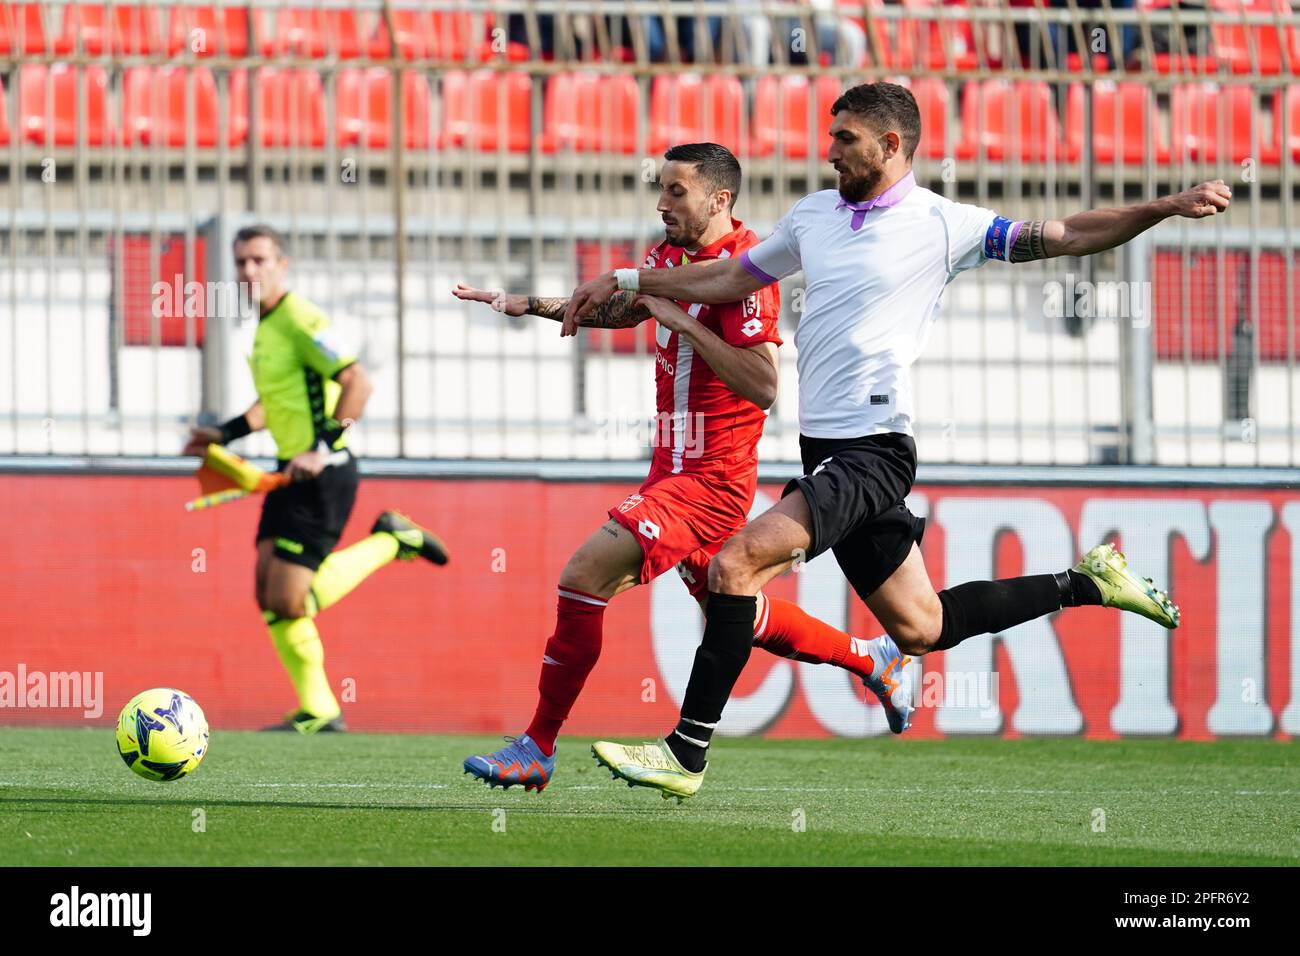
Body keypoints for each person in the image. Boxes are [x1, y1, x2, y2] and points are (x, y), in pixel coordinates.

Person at [566, 82, 1229, 800]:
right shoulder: (814, 215)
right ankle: (1090, 581)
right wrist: (632, 276)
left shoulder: (943, 223)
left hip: (874, 451)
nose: (829, 152)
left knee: (733, 566)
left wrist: (1162, 208)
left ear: (891, 144)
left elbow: (1065, 235)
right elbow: (729, 275)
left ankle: (685, 754)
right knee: (920, 628)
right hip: (825, 452)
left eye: (845, 139)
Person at [453, 144, 912, 792]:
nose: (662, 203)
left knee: (585, 574)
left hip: (709, 484)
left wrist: (679, 321)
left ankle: (538, 745)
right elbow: (626, 308)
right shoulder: (668, 258)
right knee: (737, 610)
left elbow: (763, 384)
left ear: (719, 199)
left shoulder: (748, 271)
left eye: (676, 192)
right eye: (661, 189)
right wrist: (529, 304)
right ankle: (873, 658)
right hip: (669, 469)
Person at [183, 224, 450, 734]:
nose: (248, 270)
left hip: (324, 472)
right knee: (267, 593)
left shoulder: (300, 318)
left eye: (259, 260)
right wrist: (222, 433)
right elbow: (273, 406)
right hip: (288, 474)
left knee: (288, 599)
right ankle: (319, 708)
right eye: (240, 262)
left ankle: (392, 541)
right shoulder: (263, 328)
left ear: (282, 265)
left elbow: (357, 382)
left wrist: (321, 446)